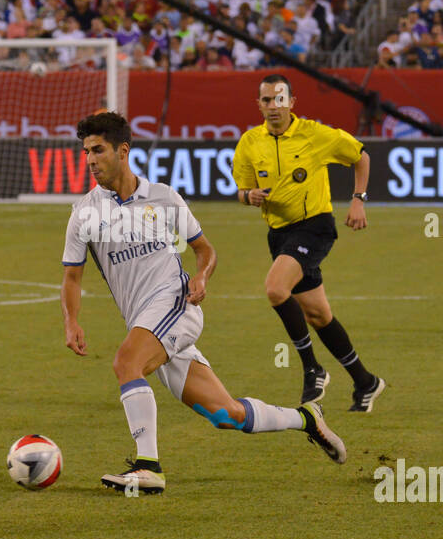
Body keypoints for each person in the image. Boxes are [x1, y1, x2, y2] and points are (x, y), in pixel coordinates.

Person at [61, 111, 346, 494]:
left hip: (176, 306)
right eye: (85, 152)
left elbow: (204, 250)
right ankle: (307, 419)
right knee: (227, 415)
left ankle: (148, 467)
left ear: (122, 150)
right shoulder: (84, 213)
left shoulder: (163, 197)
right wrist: (71, 321)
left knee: (126, 362)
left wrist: (201, 276)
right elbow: (72, 276)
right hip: (146, 324)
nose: (90, 160)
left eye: (98, 150)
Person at [232, 75, 385, 411]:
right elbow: (241, 190)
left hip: (314, 227)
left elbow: (361, 156)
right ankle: (366, 381)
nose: (273, 106)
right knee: (318, 315)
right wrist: (249, 196)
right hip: (280, 234)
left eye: (279, 99)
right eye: (267, 100)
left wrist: (358, 199)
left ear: (292, 102)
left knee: (275, 289)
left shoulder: (314, 134)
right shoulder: (249, 143)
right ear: (259, 104)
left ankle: (312, 368)